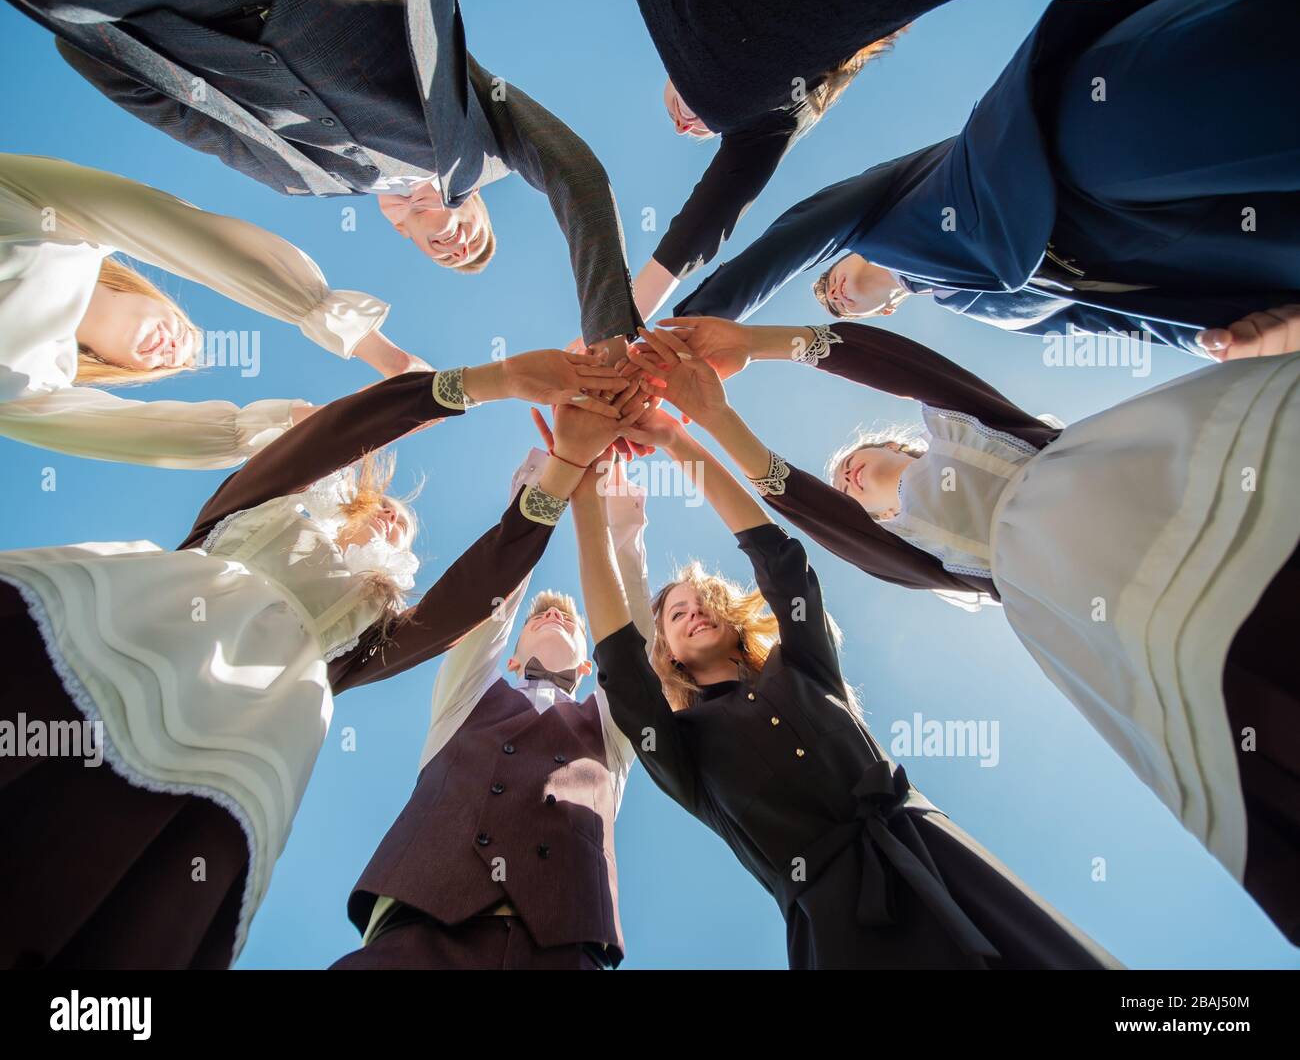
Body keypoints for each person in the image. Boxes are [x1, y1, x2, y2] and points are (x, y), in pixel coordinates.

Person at [634, 318, 1300, 946]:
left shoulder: (977, 431)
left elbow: (900, 365)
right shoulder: (931, 559)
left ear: (895, 444)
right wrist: (712, 421)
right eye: (845, 491)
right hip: (1131, 632)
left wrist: (756, 339)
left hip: (1152, 479)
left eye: (854, 459)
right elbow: (801, 512)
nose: (848, 477)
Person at [0, 349, 647, 969]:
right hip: (100, 632)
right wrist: (495, 378)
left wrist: (565, 469)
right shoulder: (247, 514)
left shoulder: (353, 645)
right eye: (389, 511)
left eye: (405, 537)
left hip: (229, 769)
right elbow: (335, 434)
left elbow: (472, 598)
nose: (397, 526)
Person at [581, 348, 1119, 969]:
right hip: (842, 930)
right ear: (667, 652)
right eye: (676, 614)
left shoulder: (803, 667)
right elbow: (619, 665)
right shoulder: (679, 746)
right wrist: (584, 493)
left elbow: (783, 564)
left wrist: (679, 442)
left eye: (703, 600)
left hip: (935, 855)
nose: (694, 611)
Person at [6, 0, 641, 359]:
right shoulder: (481, 144)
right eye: (477, 240)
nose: (460, 248)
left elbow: (185, 118)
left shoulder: (298, 181)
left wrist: (97, 37)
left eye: (446, 258)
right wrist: (610, 334)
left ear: (403, 234)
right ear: (479, 204)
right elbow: (576, 174)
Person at [672, 0, 1300, 361]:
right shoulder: (984, 308)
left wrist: (694, 325)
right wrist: (1205, 339)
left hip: (1092, 145)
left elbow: (809, 225)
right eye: (835, 307)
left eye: (825, 283)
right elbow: (1098, 321)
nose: (833, 295)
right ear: (886, 311)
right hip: (1208, 259)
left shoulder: (894, 210)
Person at [333, 437, 654, 970]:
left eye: (568, 620)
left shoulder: (611, 732)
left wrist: (622, 523)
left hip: (563, 949)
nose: (554, 617)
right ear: (511, 656)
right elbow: (494, 606)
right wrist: (541, 490)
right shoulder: (466, 697)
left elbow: (633, 650)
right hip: (416, 934)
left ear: (586, 666)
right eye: (540, 617)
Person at [0, 153, 429, 468]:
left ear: (116, 367)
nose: (170, 351)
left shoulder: (27, 389)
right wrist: (385, 355)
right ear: (148, 293)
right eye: (181, 331)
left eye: (165, 365)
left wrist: (342, 420)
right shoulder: (61, 224)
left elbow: (161, 435)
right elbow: (189, 235)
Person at [629, 0, 960, 317]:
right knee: (720, 107)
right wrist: (620, 325)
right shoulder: (770, 120)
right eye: (702, 133)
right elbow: (699, 229)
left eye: (672, 115)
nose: (682, 128)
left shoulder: (678, 22)